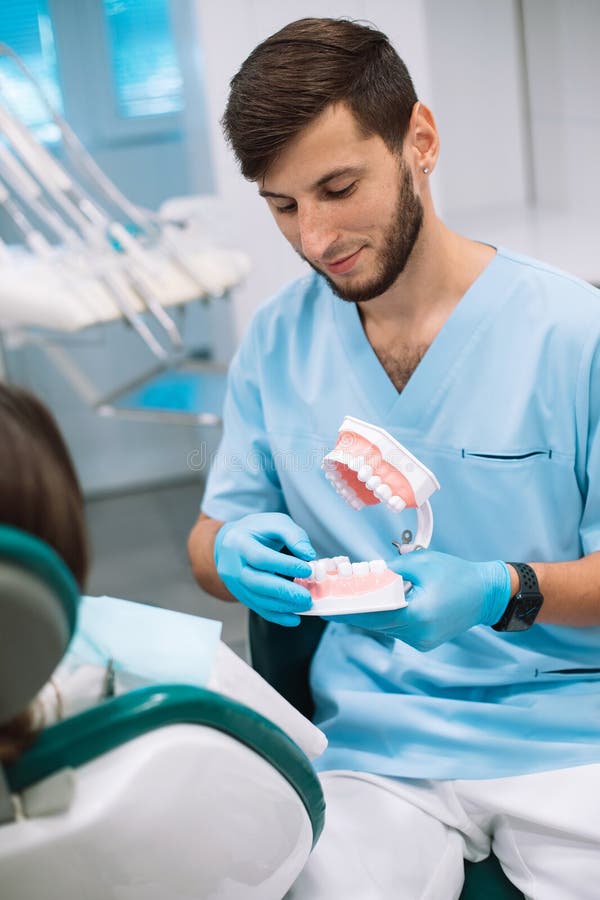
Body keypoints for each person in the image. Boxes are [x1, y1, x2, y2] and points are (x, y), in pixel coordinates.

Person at [187, 16, 600, 899]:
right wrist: (229, 553)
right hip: (374, 747)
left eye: (339, 188)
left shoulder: (574, 336)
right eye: (283, 205)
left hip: (570, 736)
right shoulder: (278, 343)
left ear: (420, 139)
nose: (314, 240)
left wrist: (504, 589)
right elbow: (209, 535)